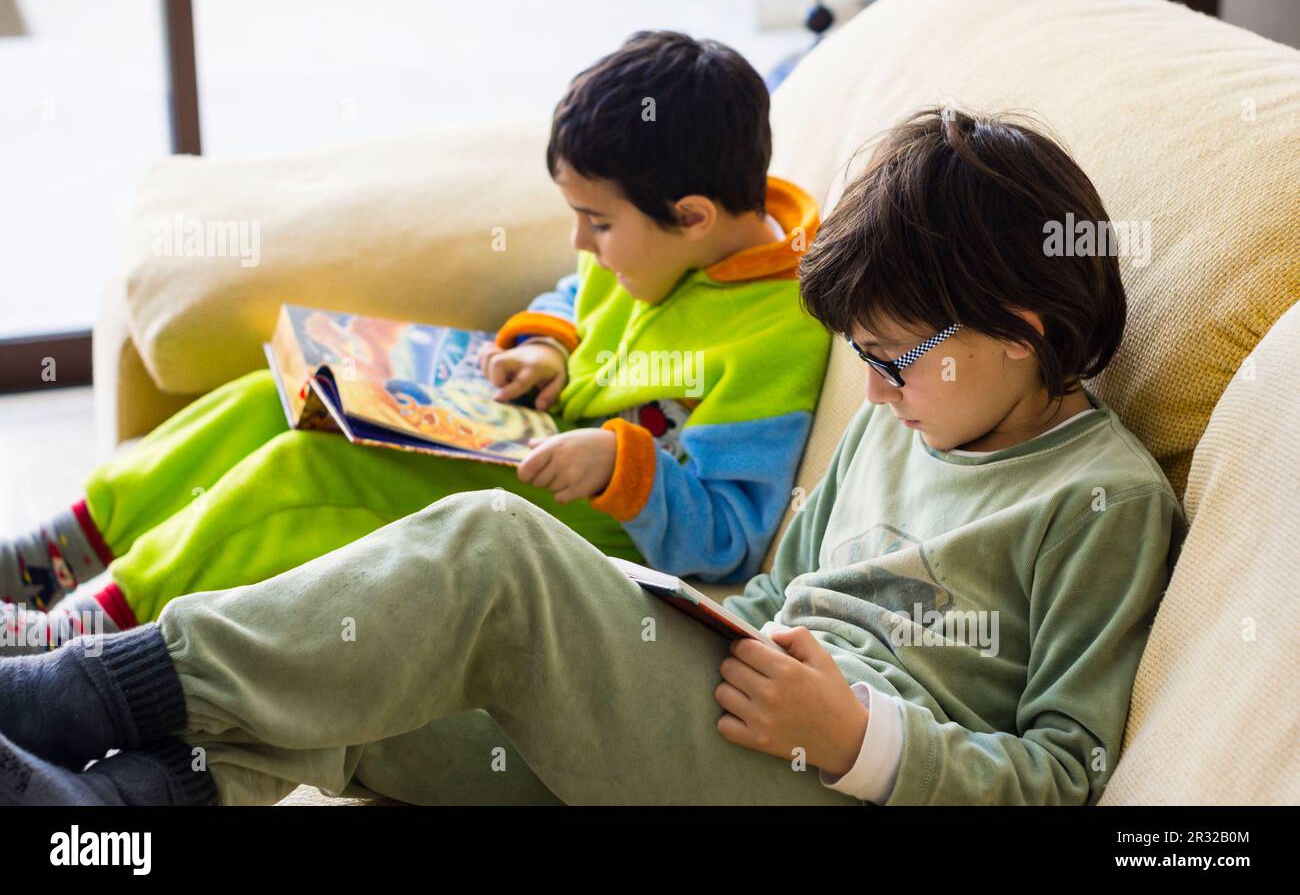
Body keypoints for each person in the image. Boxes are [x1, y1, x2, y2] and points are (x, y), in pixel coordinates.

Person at [0, 108, 1187, 806]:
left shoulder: (1100, 499)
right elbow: (776, 592)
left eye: (894, 359)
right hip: (721, 720)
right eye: (863, 360)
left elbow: (1064, 770)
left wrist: (858, 739)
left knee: (494, 547)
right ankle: (104, 805)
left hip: (824, 775)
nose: (871, 391)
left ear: (1021, 328)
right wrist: (664, 613)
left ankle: (90, 687)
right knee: (368, 663)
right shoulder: (903, 421)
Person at [0, 30, 829, 654]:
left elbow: (729, 535)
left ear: (692, 216)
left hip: (584, 531)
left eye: (598, 224)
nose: (581, 243)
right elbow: (577, 296)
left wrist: (621, 466)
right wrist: (546, 346)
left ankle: (93, 629)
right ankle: (53, 556)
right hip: (520, 442)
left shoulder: (777, 333)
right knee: (269, 399)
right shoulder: (658, 246)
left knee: (310, 468)